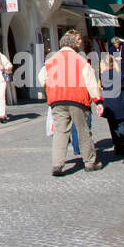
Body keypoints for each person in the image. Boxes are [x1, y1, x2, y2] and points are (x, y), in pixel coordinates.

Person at [37, 31, 103, 175]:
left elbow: (41, 77)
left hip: (57, 99)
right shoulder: (80, 60)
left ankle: (57, 165)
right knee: (83, 131)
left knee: (60, 131)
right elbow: (90, 82)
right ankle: (89, 162)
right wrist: (98, 101)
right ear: (74, 44)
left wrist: (49, 85)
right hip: (77, 98)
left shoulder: (52, 60)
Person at [98, 52, 124, 157]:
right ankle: (122, 141)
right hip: (120, 101)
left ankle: (117, 143)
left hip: (109, 104)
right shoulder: (118, 74)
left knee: (113, 126)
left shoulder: (102, 76)